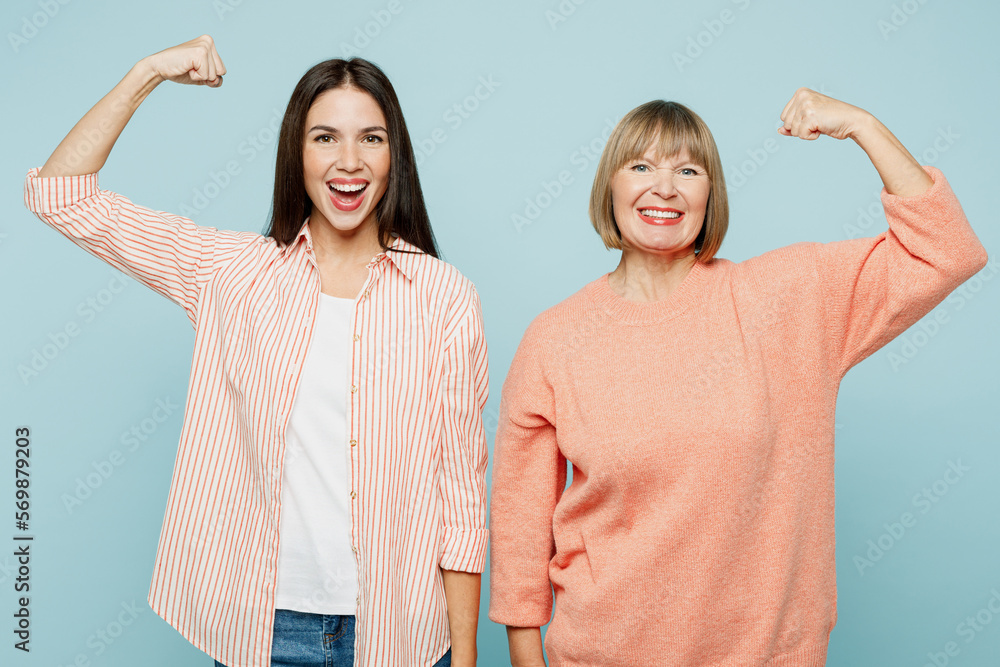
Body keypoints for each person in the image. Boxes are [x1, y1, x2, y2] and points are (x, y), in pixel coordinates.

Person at [24, 35, 488, 667]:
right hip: (262, 632)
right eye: (325, 137)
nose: (349, 161)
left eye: (371, 138)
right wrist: (147, 72)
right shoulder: (232, 273)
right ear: (295, 152)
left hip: (400, 633)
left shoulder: (445, 297)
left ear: (395, 154)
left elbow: (460, 498)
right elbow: (61, 196)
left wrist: (465, 657)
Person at [488, 88, 988, 666]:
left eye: (688, 170)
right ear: (610, 186)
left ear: (711, 194)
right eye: (641, 166)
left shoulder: (786, 300)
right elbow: (522, 532)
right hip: (599, 653)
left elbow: (947, 251)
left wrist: (862, 124)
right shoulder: (556, 338)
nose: (665, 187)